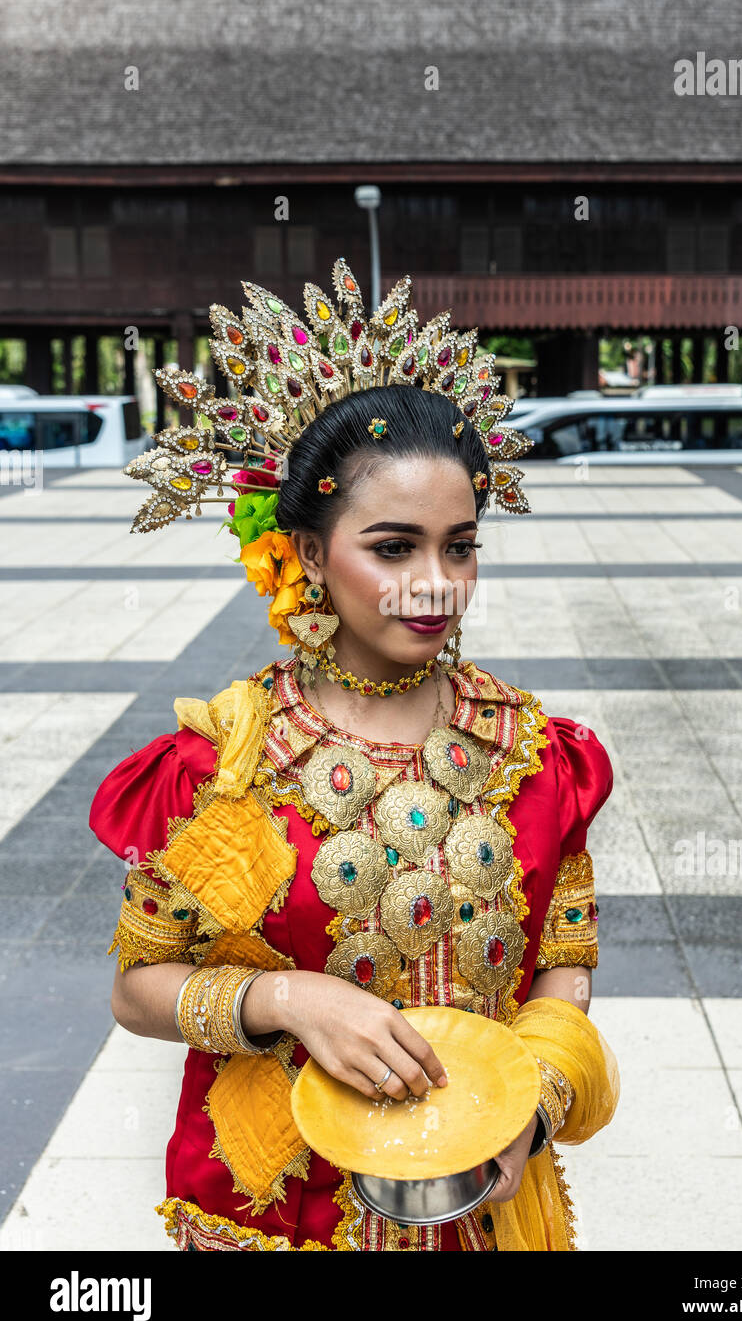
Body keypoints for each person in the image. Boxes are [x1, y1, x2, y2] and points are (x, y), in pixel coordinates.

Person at [89, 258, 620, 1252]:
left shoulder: (537, 754)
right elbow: (136, 986)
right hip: (279, 1205)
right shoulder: (222, 767)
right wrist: (286, 997)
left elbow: (564, 963)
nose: (436, 586)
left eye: (459, 546)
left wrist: (535, 1100)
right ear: (304, 551)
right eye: (392, 547)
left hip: (486, 1203)